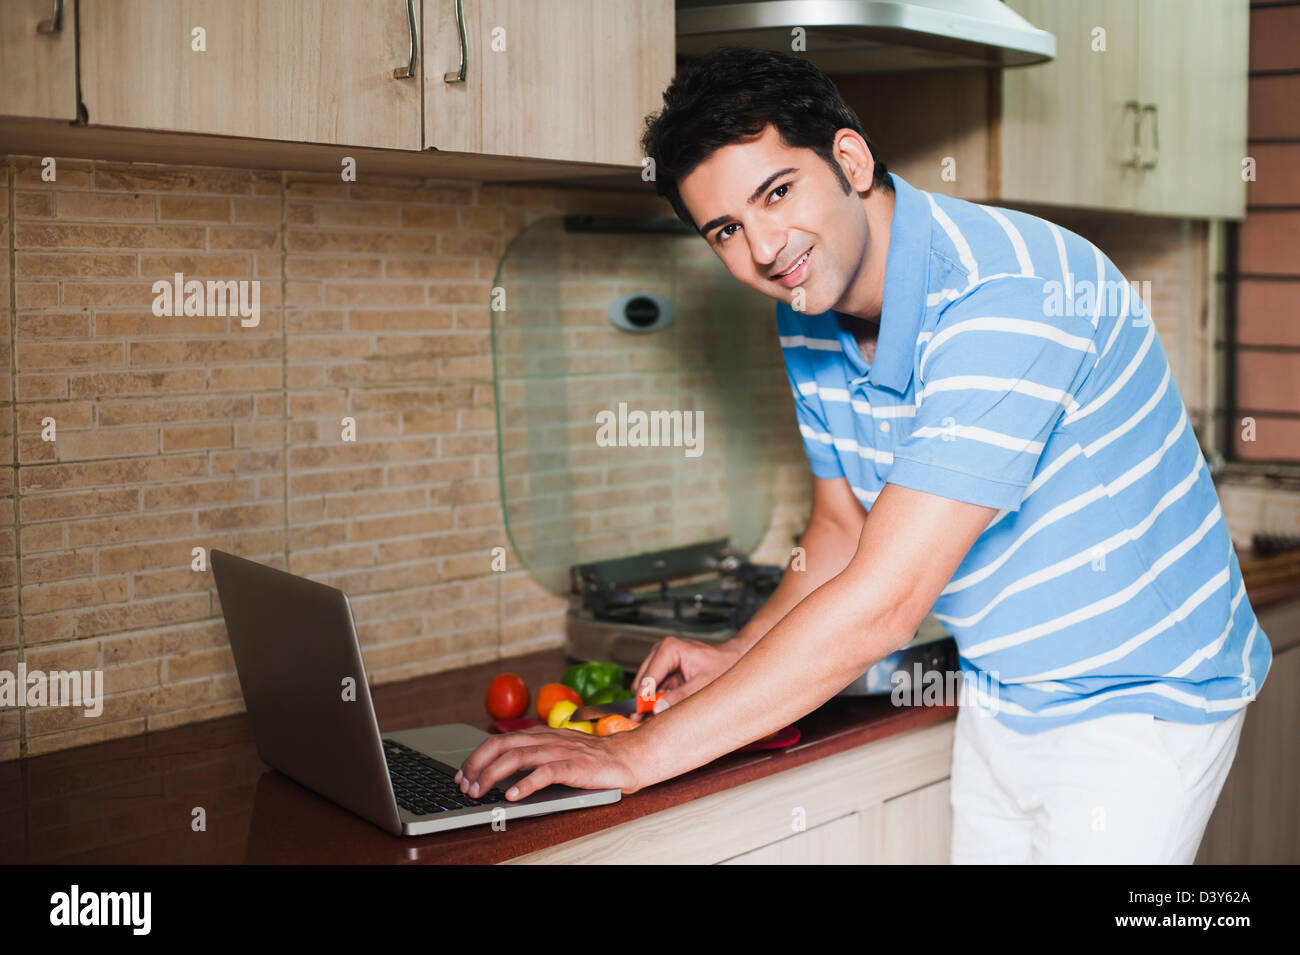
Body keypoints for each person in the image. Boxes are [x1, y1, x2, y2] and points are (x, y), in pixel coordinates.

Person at [456, 47, 1272, 863]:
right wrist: (737, 654)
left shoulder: (1007, 295)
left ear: (848, 158)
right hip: (1004, 689)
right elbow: (844, 524)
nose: (767, 248)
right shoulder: (808, 309)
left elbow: (887, 599)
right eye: (727, 230)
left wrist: (632, 755)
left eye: (777, 193)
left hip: (1141, 702)